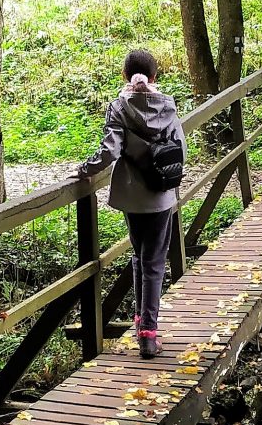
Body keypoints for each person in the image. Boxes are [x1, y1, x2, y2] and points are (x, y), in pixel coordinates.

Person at [76, 49, 186, 359]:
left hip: (132, 195)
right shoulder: (167, 106)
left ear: (125, 75)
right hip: (160, 194)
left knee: (139, 255)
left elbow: (110, 150)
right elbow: (181, 148)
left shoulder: (119, 107)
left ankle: (140, 321)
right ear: (155, 76)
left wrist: (84, 170)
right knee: (154, 261)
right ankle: (148, 334)